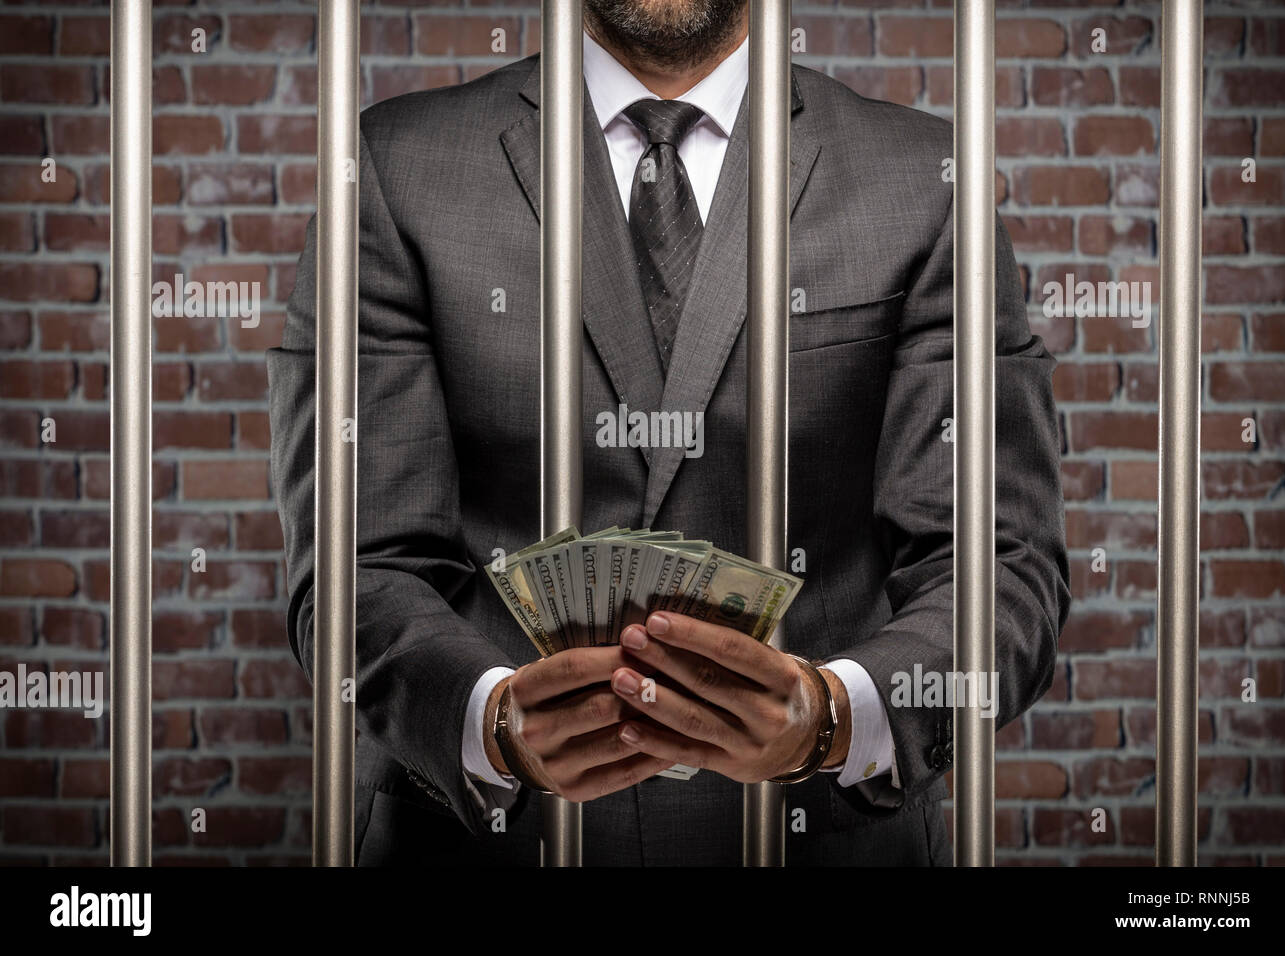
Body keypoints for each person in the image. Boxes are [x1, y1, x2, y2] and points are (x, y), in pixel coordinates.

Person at [267, 0, 1071, 866]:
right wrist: (493, 723)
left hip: (820, 839)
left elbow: (996, 562)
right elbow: (362, 564)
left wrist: (832, 716)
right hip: (480, 839)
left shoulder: (921, 178)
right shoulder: (397, 167)